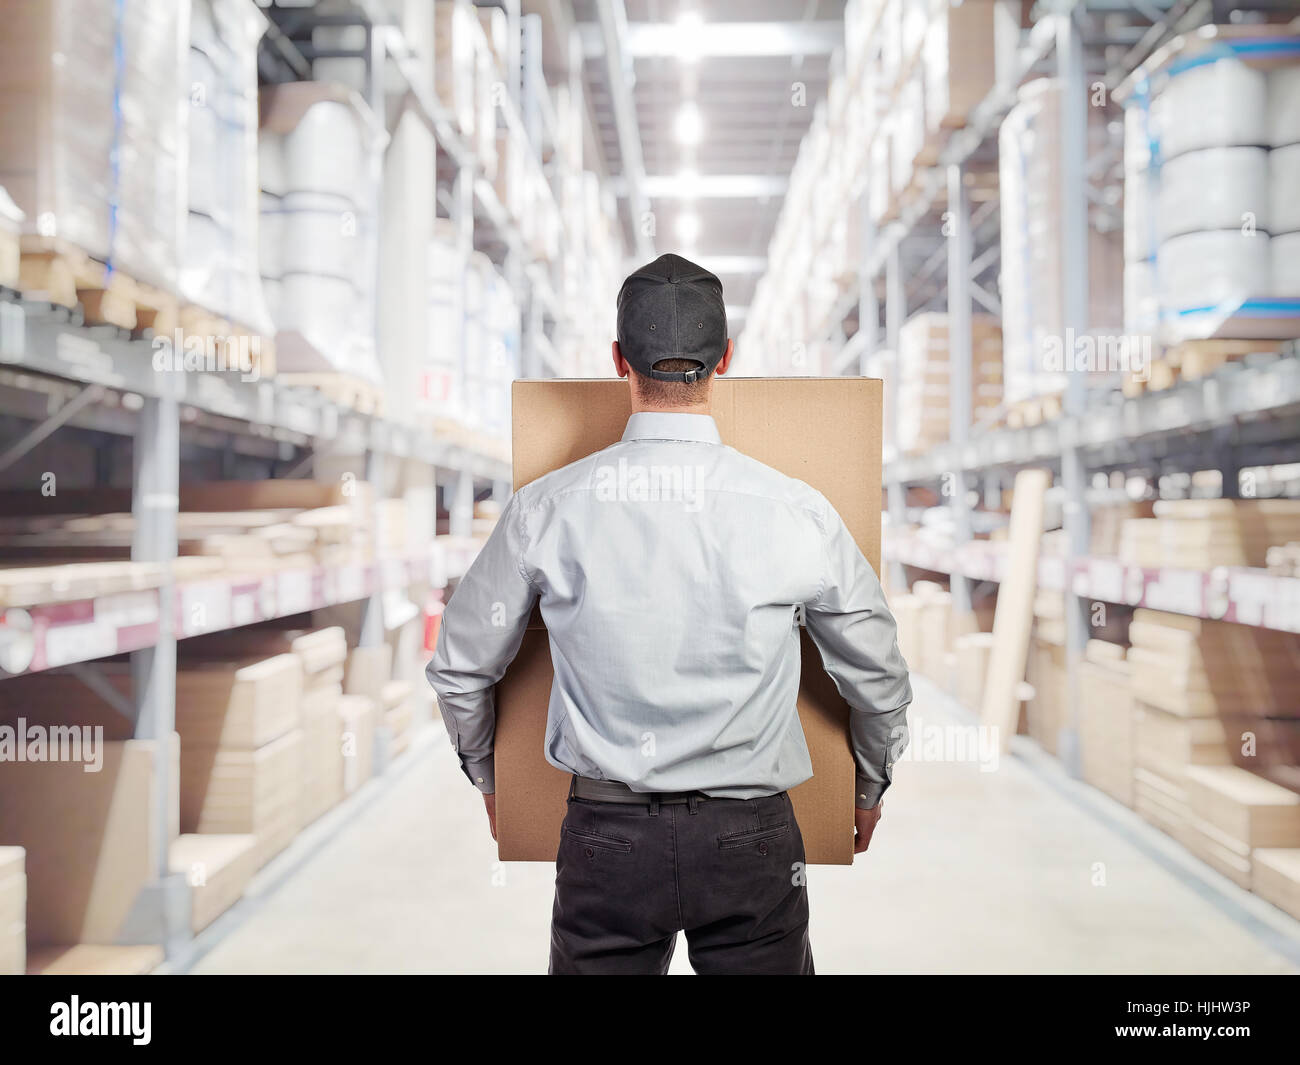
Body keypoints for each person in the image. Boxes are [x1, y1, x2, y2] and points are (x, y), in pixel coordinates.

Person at [428, 253, 911, 975]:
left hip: (605, 838)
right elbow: (877, 671)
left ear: (618, 359)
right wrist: (870, 783)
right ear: (726, 360)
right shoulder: (796, 511)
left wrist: (489, 775)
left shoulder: (546, 509)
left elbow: (460, 667)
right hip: (751, 841)